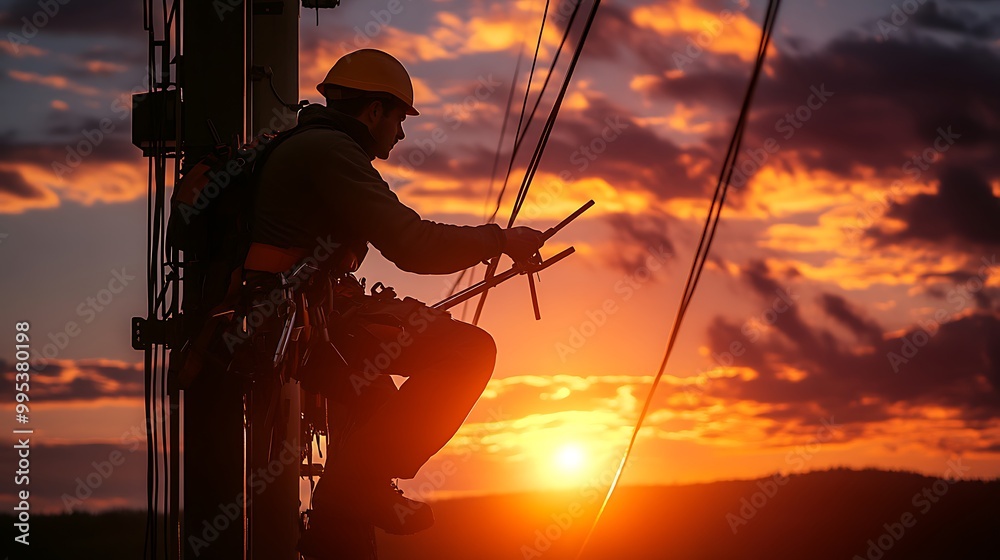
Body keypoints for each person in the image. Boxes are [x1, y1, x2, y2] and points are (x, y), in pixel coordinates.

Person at [243, 49, 545, 556]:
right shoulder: (330, 152)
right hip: (303, 319)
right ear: (375, 110)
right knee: (469, 351)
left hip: (299, 318)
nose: (401, 134)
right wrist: (500, 240)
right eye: (399, 118)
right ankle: (352, 491)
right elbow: (413, 245)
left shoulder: (312, 147)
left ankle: (347, 510)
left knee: (377, 401)